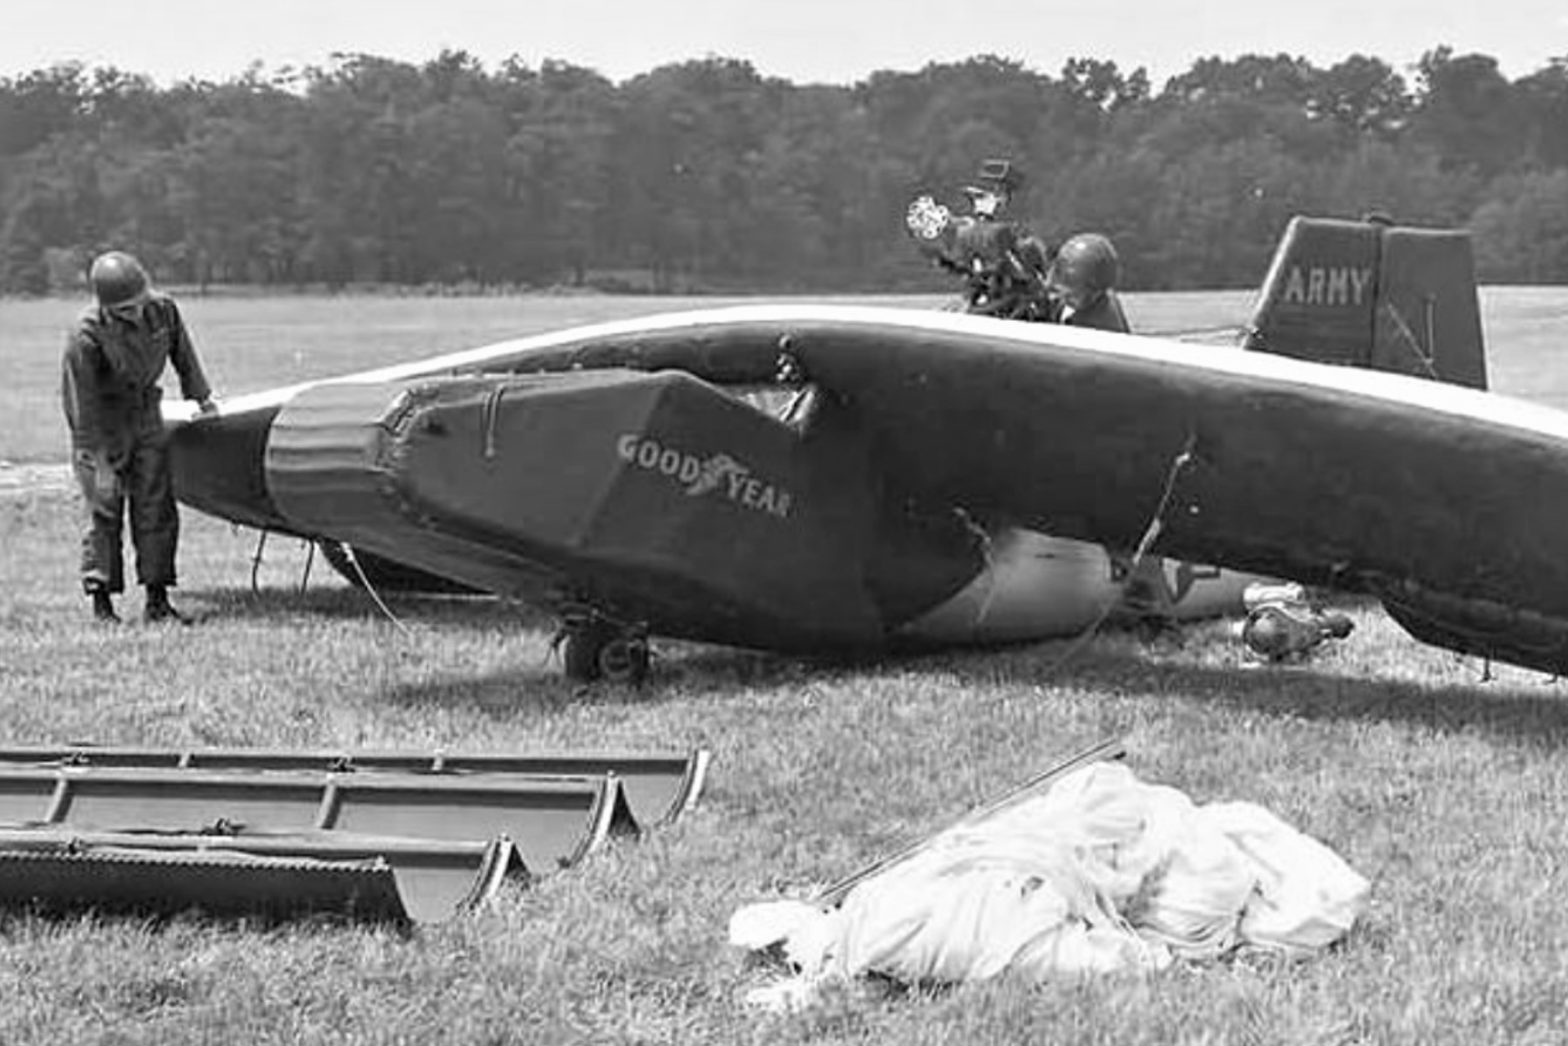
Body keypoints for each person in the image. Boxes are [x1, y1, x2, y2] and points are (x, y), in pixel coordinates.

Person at [61, 251, 217, 624]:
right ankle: (102, 604)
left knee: (156, 506)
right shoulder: (84, 336)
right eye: (123, 310)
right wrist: (95, 458)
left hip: (147, 414)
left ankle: (157, 600)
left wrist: (202, 396)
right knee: (104, 509)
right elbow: (81, 404)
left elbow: (184, 355)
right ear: (105, 306)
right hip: (102, 425)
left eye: (136, 305)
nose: (133, 314)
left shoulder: (163, 310)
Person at [1046, 232, 1130, 333]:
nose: (1065, 297)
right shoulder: (1102, 299)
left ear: (1095, 292)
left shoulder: (1096, 324)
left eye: (1072, 295)